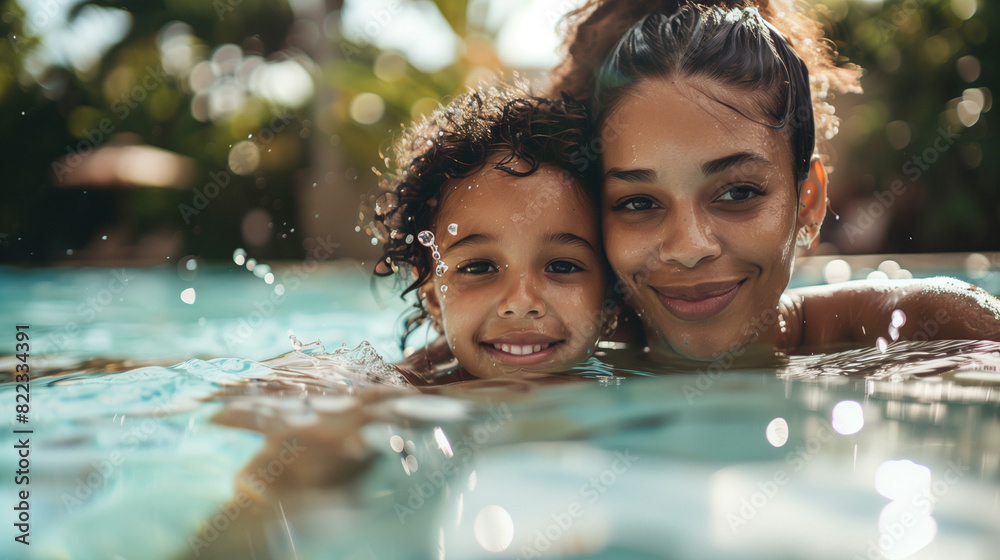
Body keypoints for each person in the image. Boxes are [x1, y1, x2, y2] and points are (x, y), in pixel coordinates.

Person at [548, 0, 1000, 366]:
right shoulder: (543, 349)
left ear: (809, 201)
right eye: (639, 202)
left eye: (738, 193)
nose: (688, 246)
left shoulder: (940, 328)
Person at [366, 81, 616, 383]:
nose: (521, 302)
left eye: (562, 266)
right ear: (434, 300)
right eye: (479, 267)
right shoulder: (402, 399)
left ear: (608, 296)